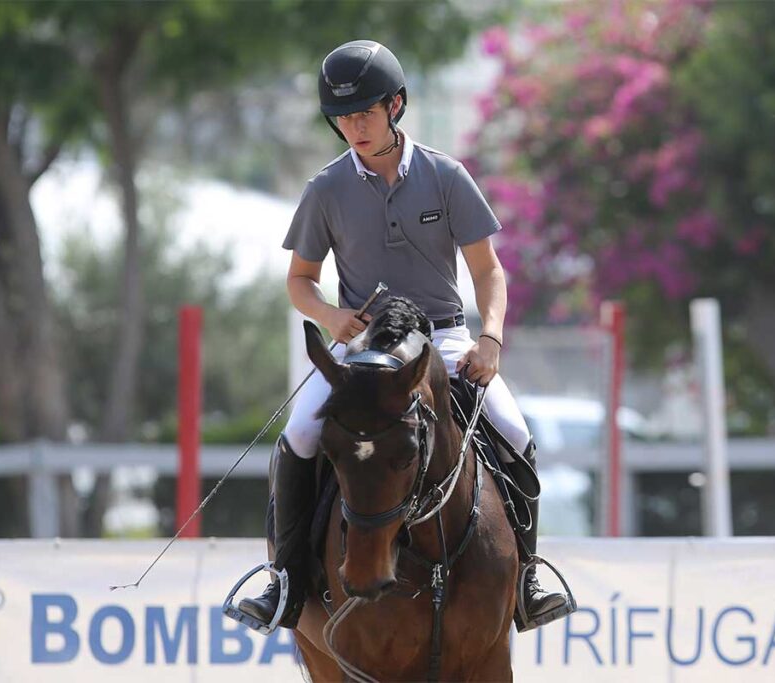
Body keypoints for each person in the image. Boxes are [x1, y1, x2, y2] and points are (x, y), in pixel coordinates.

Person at [234, 39, 572, 633]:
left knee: (516, 432)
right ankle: (283, 579)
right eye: (343, 118)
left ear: (395, 105)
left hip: (442, 338)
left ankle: (526, 578)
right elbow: (299, 281)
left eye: (365, 113)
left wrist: (490, 340)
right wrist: (331, 318)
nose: (354, 128)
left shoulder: (446, 175)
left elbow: (488, 271)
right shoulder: (325, 189)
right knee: (300, 434)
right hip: (363, 345)